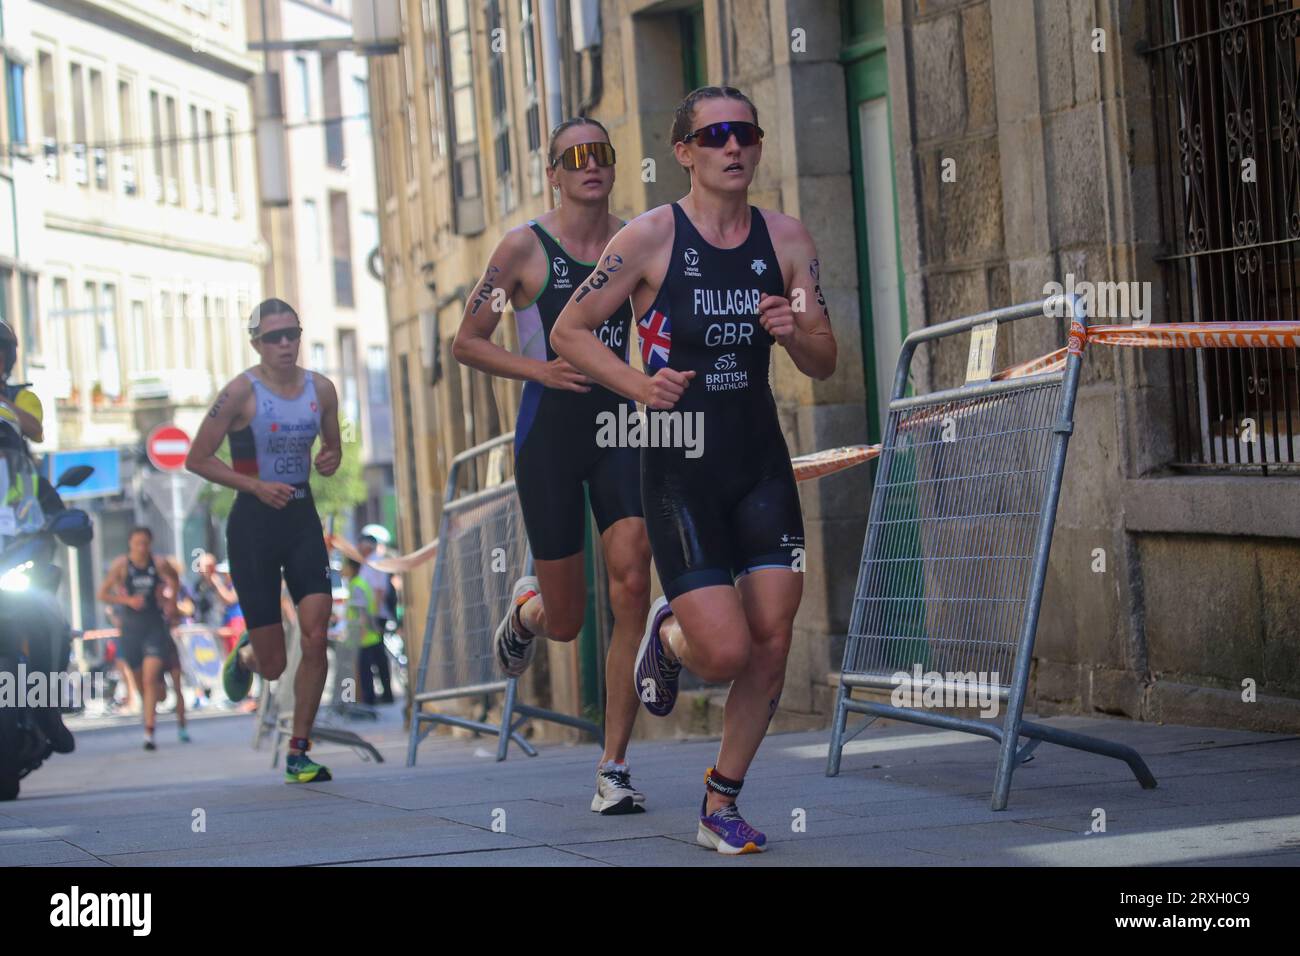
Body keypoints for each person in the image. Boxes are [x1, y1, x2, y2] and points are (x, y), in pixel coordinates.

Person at [552, 87, 838, 852]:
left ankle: (721, 801)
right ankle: (671, 637)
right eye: (715, 136)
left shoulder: (787, 240)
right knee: (725, 651)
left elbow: (825, 357)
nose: (733, 147)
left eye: (745, 133)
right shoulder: (648, 239)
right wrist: (638, 385)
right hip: (680, 469)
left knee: (773, 639)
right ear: (684, 153)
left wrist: (793, 329)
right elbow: (569, 328)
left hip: (759, 465)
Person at [451, 117, 653, 815]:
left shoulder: (637, 242)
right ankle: (527, 613)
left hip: (619, 427)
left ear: (614, 166)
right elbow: (468, 342)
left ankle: (614, 766)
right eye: (576, 156)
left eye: (601, 153)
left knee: (632, 579)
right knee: (567, 620)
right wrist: (539, 367)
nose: (589, 165)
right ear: (554, 172)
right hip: (549, 439)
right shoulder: (522, 251)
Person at [185, 298, 343, 784]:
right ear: (256, 343)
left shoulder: (321, 389)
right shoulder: (239, 393)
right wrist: (253, 485)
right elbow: (197, 458)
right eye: (274, 337)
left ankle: (299, 750)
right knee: (273, 666)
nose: (285, 344)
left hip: (299, 518)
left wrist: (331, 458)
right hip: (253, 524)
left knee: (317, 633)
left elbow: (333, 446)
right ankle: (248, 653)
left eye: (292, 334)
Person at [96, 527, 190, 749]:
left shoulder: (158, 564)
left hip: (155, 627)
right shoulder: (121, 565)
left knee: (151, 679)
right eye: (137, 543)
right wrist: (127, 601)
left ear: (150, 544)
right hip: (131, 630)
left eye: (145, 543)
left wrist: (171, 602)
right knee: (141, 683)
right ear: (130, 544)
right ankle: (154, 699)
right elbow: (102, 594)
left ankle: (149, 733)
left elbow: (176, 579)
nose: (141, 548)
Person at [341, 557, 389, 705]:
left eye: (345, 566)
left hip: (363, 636)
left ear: (352, 568)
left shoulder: (356, 585)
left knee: (365, 672)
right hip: (369, 634)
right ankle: (380, 697)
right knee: (376, 667)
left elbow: (361, 612)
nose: (343, 570)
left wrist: (359, 634)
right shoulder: (361, 583)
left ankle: (368, 702)